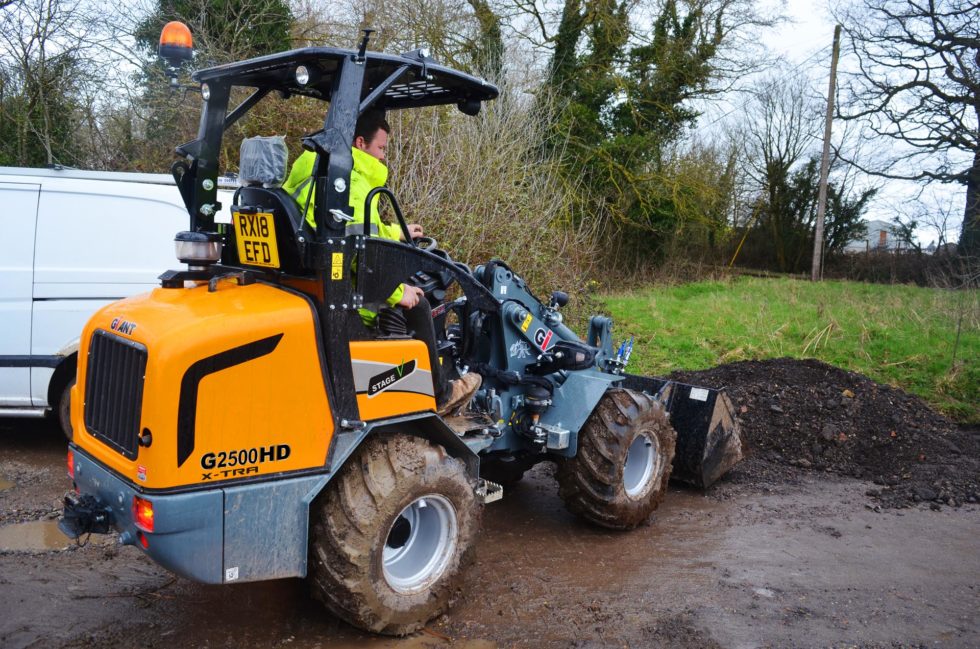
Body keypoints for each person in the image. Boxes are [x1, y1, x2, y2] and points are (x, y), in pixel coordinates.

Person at [283, 111, 480, 415]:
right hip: (344, 295)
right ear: (360, 143)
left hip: (310, 283)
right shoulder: (348, 182)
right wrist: (395, 291)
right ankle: (441, 393)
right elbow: (359, 253)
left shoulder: (310, 170)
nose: (384, 157)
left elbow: (346, 230)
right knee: (422, 302)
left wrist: (396, 232)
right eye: (382, 148)